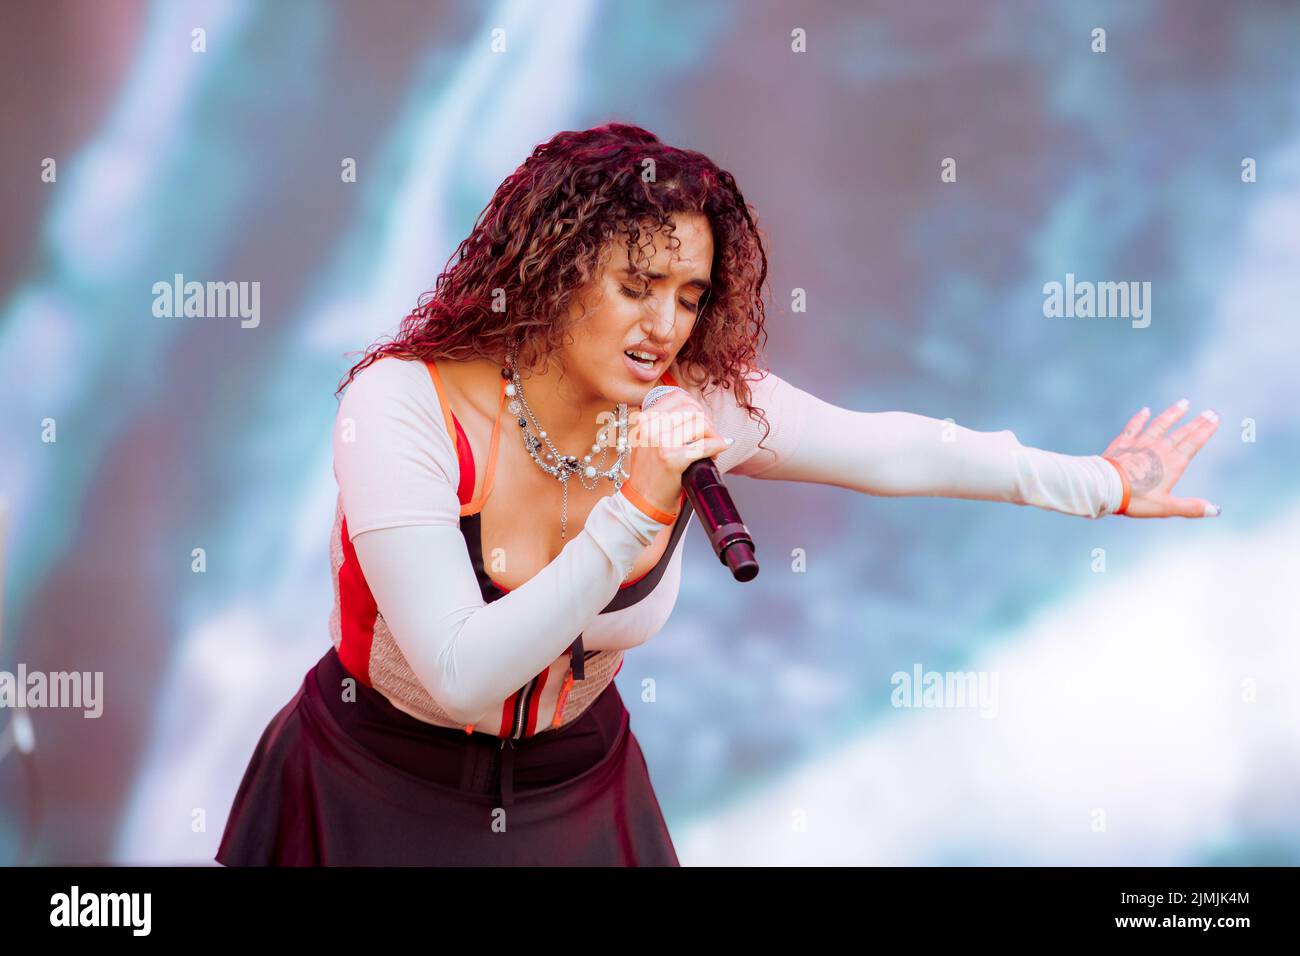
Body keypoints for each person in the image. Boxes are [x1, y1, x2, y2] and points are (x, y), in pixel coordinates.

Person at [215, 122, 1220, 866]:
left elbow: (893, 449)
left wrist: (1096, 483)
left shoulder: (693, 403)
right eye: (637, 284)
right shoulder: (403, 402)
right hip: (372, 792)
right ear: (553, 267)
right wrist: (632, 514)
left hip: (576, 792)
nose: (665, 323)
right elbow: (459, 668)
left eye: (689, 295)